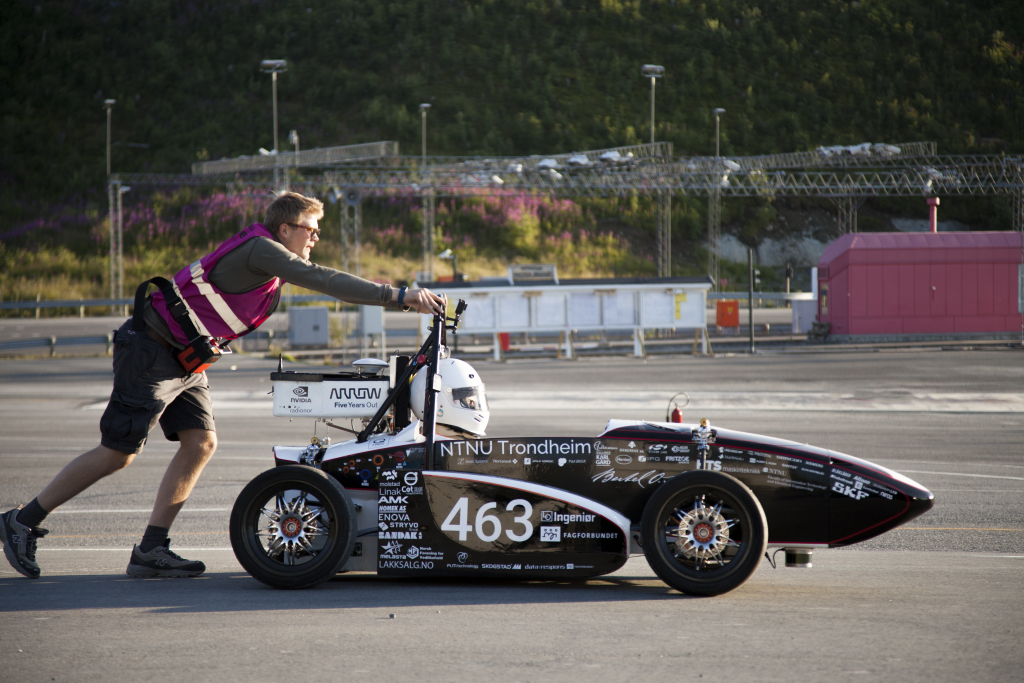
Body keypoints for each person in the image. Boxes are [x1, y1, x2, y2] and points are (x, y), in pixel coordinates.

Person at [1, 192, 444, 579]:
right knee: (119, 452)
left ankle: (151, 549)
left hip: (183, 358)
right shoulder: (261, 249)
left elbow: (314, 273)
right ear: (285, 228)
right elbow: (324, 279)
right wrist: (397, 295)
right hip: (151, 350)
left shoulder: (272, 263)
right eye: (310, 229)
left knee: (201, 442)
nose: (315, 237)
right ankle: (23, 519)